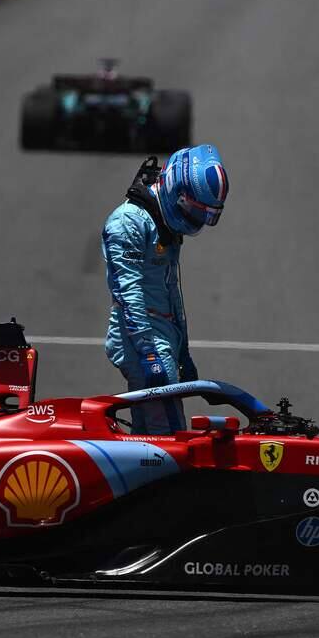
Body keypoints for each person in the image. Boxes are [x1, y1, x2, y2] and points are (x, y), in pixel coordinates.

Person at [101, 144, 229, 434]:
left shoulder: (164, 224)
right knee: (169, 439)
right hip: (141, 344)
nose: (197, 221)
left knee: (147, 441)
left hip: (164, 341)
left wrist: (183, 351)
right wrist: (149, 353)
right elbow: (126, 294)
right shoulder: (127, 223)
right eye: (195, 211)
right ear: (176, 191)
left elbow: (172, 292)